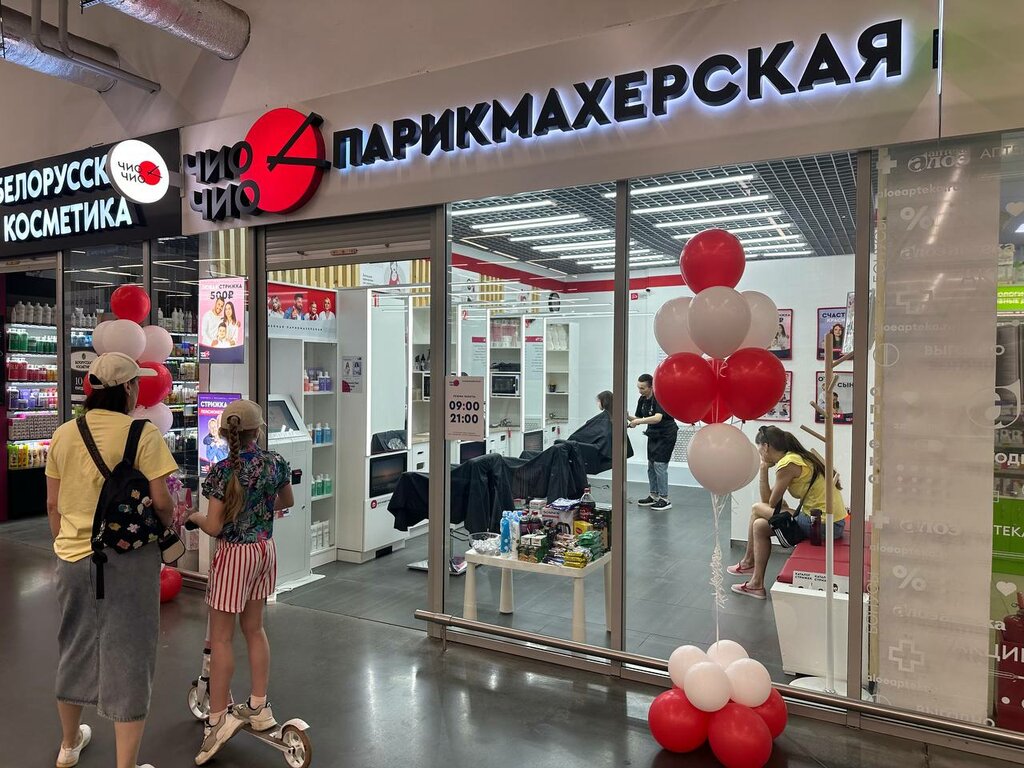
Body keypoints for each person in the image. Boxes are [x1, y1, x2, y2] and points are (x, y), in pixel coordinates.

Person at [45, 352, 178, 768]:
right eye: (135, 383)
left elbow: (53, 504)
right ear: (127, 389)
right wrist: (168, 524)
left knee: (74, 645)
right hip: (128, 560)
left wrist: (68, 544)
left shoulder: (64, 433)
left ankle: (69, 745)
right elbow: (161, 501)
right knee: (131, 654)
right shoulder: (144, 434)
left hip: (72, 557)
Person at [188, 399, 294, 765]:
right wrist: (257, 507)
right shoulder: (275, 463)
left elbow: (214, 526)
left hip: (234, 554)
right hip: (265, 550)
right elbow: (286, 501)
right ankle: (259, 706)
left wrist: (194, 517)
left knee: (220, 638)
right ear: (258, 430)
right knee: (254, 629)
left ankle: (217, 718)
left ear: (223, 432)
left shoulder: (221, 472)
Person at [728, 425, 847, 599]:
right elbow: (774, 501)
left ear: (766, 446)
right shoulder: (798, 457)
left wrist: (763, 468)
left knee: (756, 509)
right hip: (831, 522)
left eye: (760, 449)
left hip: (823, 525)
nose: (760, 454)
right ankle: (755, 583)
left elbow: (769, 502)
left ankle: (748, 563)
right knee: (759, 526)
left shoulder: (787, 464)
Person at [628, 373, 678, 510]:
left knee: (660, 465)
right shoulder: (642, 399)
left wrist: (638, 421)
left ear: (651, 387)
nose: (640, 391)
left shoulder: (659, 397)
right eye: (638, 388)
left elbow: (657, 418)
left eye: (642, 388)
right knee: (651, 465)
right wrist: (627, 416)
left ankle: (664, 498)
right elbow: (637, 418)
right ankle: (654, 495)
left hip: (666, 434)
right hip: (653, 434)